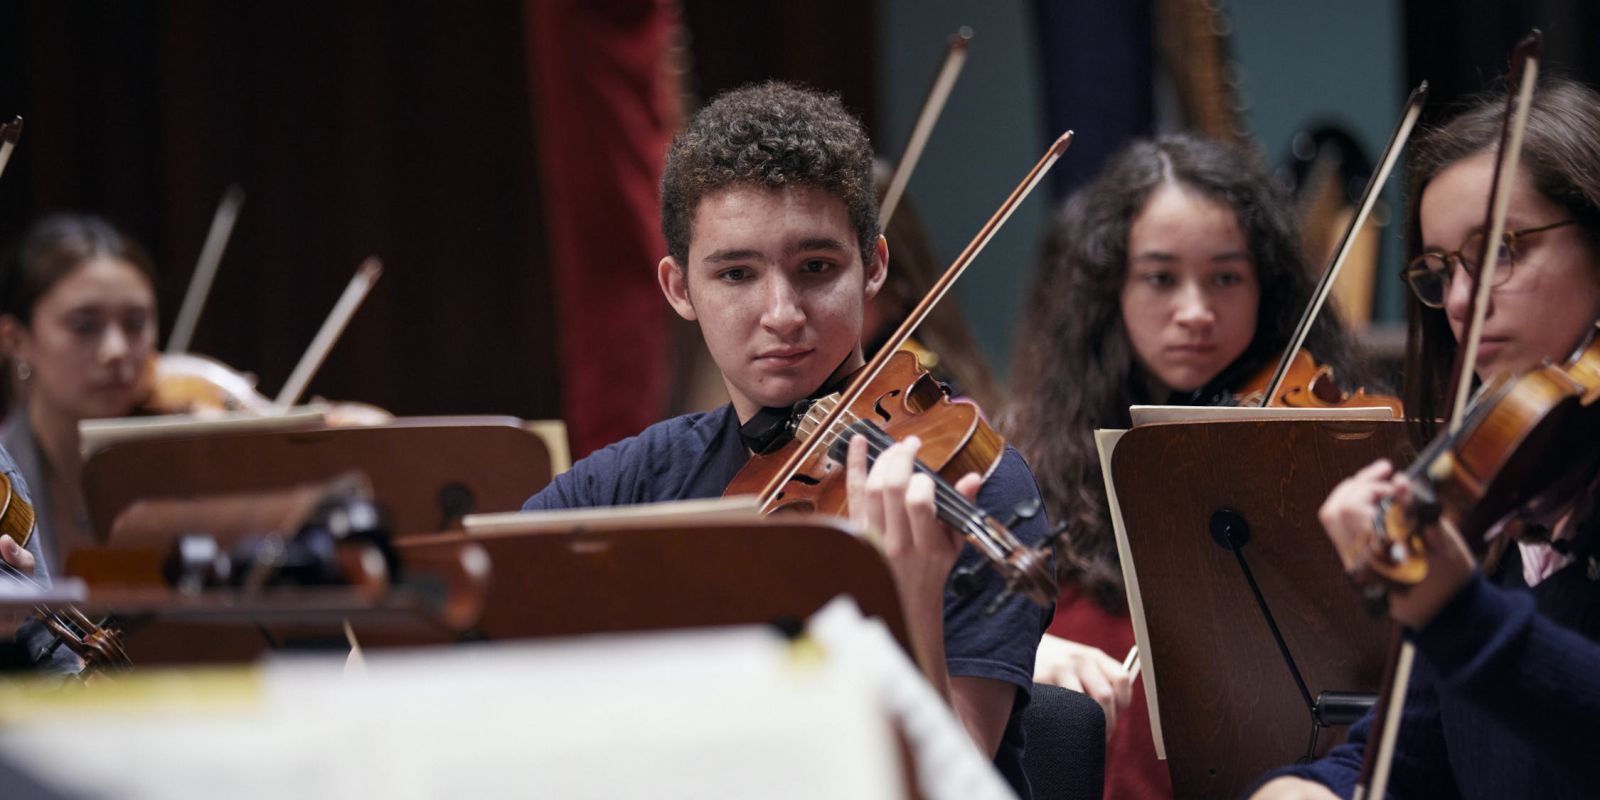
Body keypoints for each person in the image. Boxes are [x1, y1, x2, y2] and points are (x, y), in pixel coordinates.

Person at [522, 81, 1053, 797]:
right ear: (680, 289)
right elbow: (480, 604)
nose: (782, 314)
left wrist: (912, 602)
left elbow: (945, 781)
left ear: (874, 267)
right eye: (737, 273)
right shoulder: (637, 478)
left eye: (816, 269)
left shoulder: (971, 482)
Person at [1250, 78, 1600, 799]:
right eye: (1442, 272)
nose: (1465, 302)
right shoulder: (1506, 502)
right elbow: (1403, 760)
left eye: (1501, 250)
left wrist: (1456, 615)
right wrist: (1309, 790)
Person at [1004, 133, 1369, 799]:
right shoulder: (1036, 466)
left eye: (1226, 277)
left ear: (1269, 286)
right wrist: (1023, 656)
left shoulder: (1325, 440)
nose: (1195, 312)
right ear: (1112, 289)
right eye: (1160, 278)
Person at [0, 214, 158, 580]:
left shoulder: (181, 471)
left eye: (135, 324)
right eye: (84, 325)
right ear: (16, 340)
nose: (117, 350)